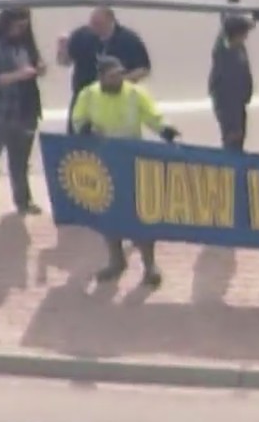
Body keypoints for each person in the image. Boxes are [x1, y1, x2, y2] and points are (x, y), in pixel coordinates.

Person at [72, 56, 182, 287]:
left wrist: (166, 130)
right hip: (103, 162)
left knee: (140, 213)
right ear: (101, 77)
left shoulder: (134, 93)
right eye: (112, 76)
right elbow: (78, 120)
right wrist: (85, 129)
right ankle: (116, 260)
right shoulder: (88, 95)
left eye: (120, 74)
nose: (118, 79)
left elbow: (153, 115)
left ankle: (149, 265)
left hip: (132, 159)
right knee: (109, 214)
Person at [0, 6, 46, 221]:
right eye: (18, 26)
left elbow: (34, 63)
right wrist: (20, 75)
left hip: (26, 109)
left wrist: (38, 67)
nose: (21, 31)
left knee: (20, 160)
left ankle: (23, 200)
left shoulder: (24, 42)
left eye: (25, 27)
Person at [59, 7, 151, 133]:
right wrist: (63, 48)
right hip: (84, 98)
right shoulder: (82, 36)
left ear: (111, 21)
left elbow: (143, 68)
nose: (93, 28)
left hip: (115, 99)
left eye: (98, 24)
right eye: (92, 24)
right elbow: (65, 62)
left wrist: (118, 80)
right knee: (78, 140)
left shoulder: (128, 39)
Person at [208, 0, 254, 152]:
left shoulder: (230, 39)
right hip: (231, 111)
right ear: (236, 34)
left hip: (239, 104)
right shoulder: (226, 57)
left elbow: (228, 7)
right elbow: (226, 96)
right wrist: (232, 126)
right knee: (233, 145)